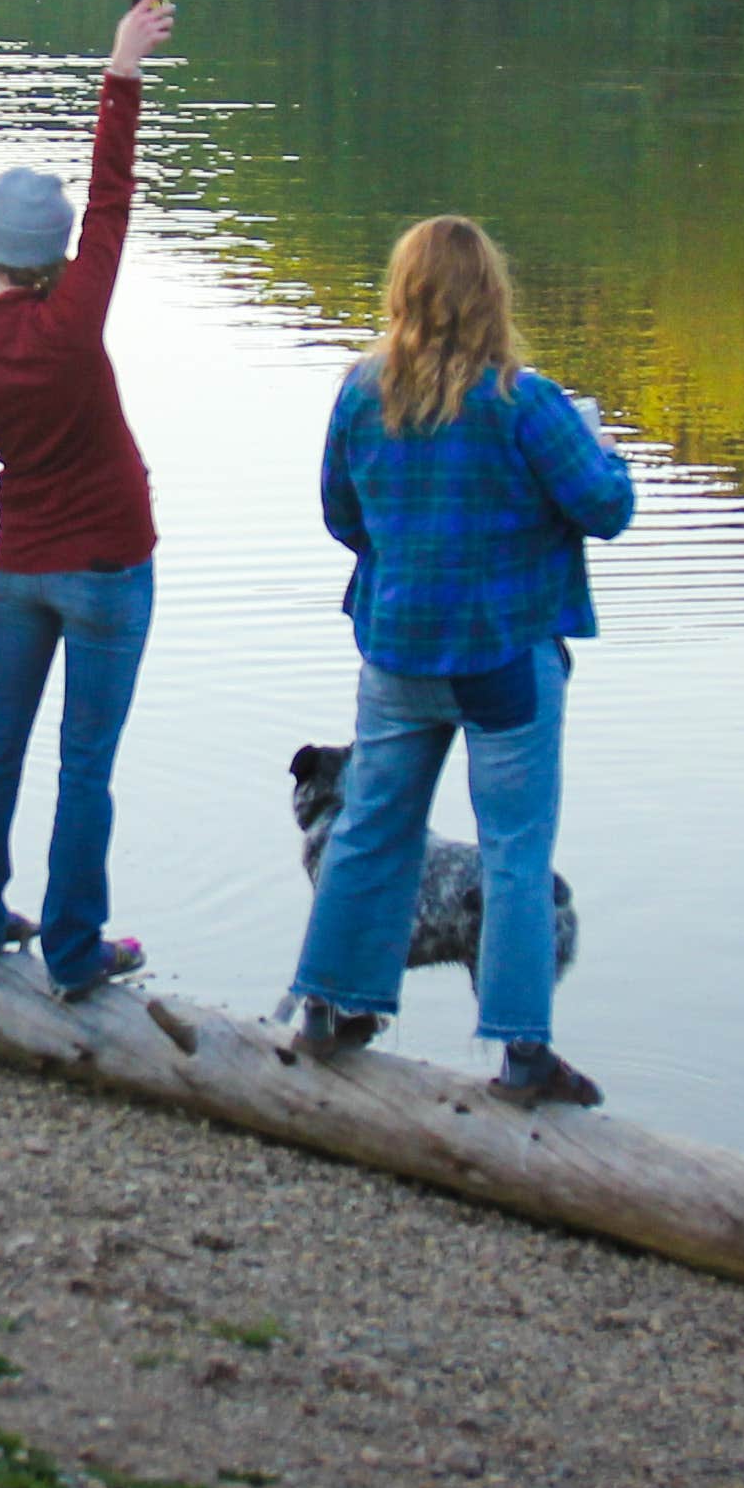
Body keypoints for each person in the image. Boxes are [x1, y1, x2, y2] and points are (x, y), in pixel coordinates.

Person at [284, 214, 636, 1106]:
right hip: (501, 656)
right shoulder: (525, 401)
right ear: (492, 297)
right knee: (516, 850)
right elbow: (604, 508)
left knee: (369, 829)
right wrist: (610, 456)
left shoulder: (362, 394)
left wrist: (401, 559)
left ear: (402, 294)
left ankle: (327, 1012)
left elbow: (340, 514)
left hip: (397, 649)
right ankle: (522, 1055)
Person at [0, 0, 170, 991]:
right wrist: (121, 66)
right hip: (108, 566)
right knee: (85, 767)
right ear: (55, 257)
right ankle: (71, 950)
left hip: (18, 574)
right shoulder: (75, 318)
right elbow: (112, 193)